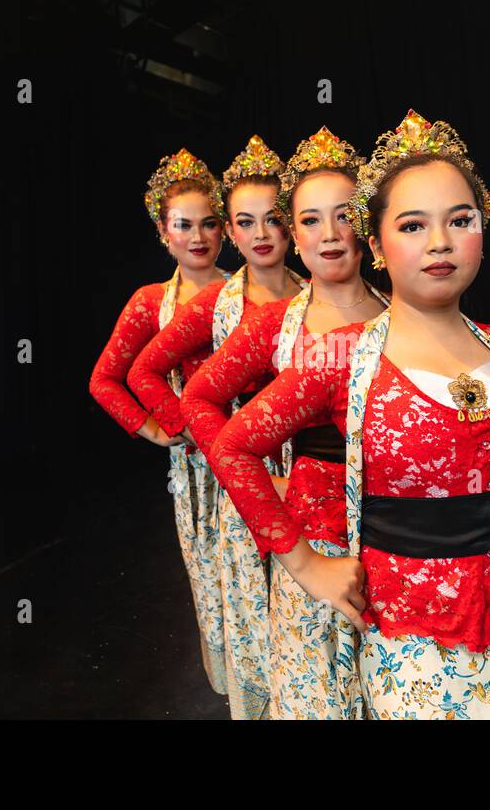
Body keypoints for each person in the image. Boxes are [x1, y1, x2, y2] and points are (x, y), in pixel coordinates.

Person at [211, 110, 490, 719]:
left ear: (483, 231)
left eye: (460, 220)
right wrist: (306, 564)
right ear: (375, 245)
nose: (440, 242)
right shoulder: (344, 361)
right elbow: (232, 445)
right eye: (412, 225)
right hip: (413, 644)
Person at [183, 127, 387, 719]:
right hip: (314, 537)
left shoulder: (409, 313)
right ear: (294, 235)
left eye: (344, 215)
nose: (329, 234)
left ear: (369, 226)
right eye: (310, 220)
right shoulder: (275, 325)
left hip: (396, 537)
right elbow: (198, 400)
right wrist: (272, 487)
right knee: (316, 687)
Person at [128, 135, 306, 719]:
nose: (260, 235)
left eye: (275, 220)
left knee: (306, 597)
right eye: (245, 222)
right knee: (239, 592)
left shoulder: (318, 295)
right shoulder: (206, 304)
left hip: (307, 467)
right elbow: (135, 372)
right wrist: (175, 431)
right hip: (229, 466)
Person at [87, 147, 231, 694]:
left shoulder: (251, 290)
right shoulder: (151, 302)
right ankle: (228, 691)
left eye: (209, 223)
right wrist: (157, 426)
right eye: (184, 226)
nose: (198, 237)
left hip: (258, 454)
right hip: (197, 472)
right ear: (163, 233)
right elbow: (104, 378)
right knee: (211, 576)